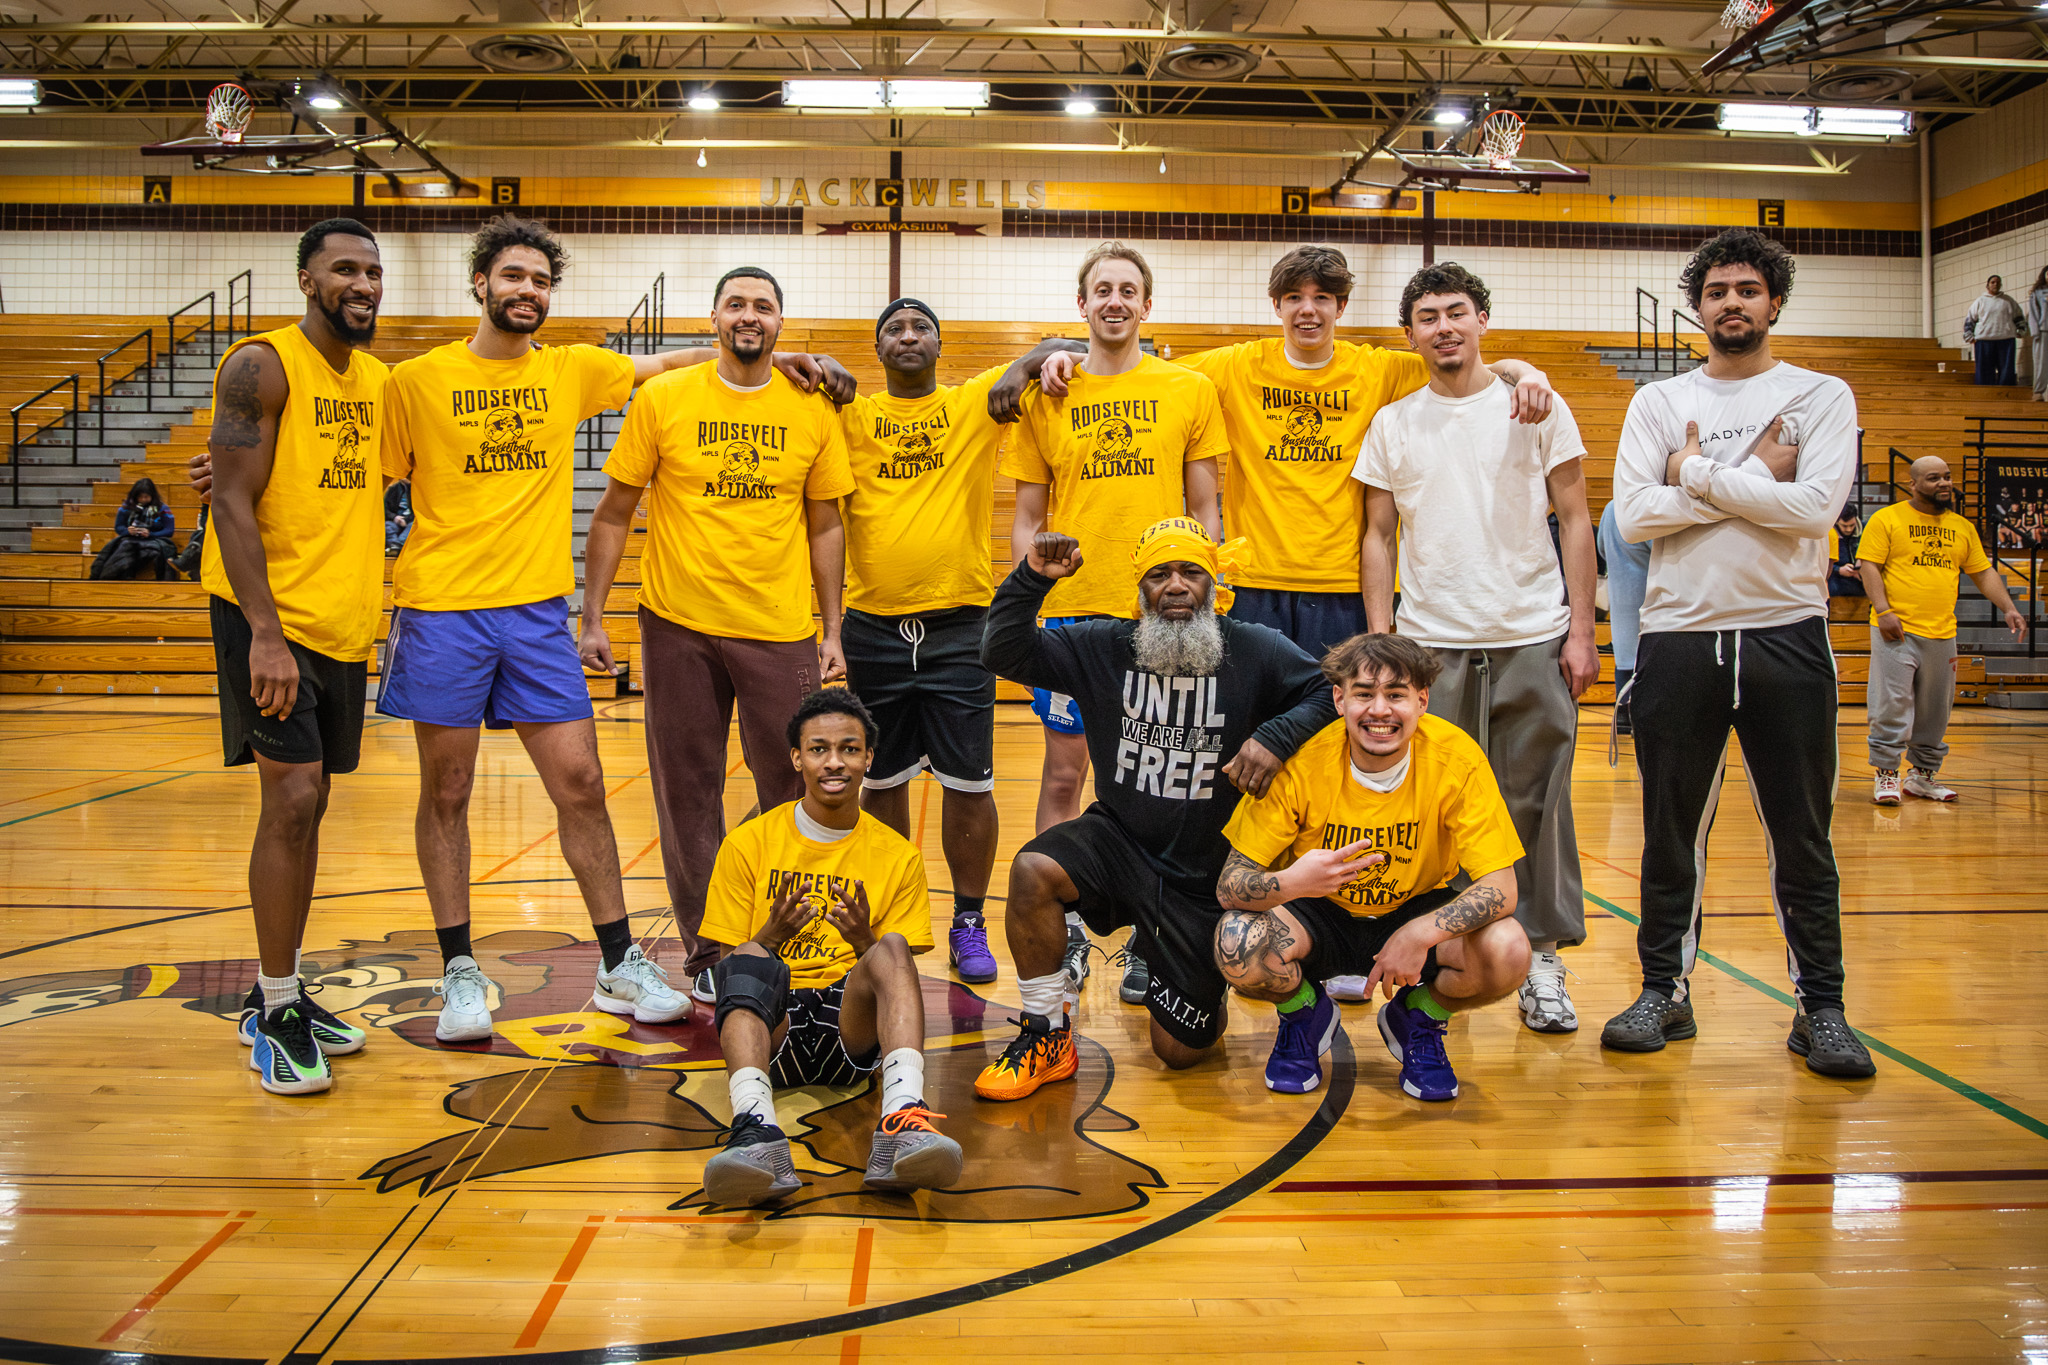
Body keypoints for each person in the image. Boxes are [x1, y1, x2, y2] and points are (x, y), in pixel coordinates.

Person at [1034, 243, 1557, 1005]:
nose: (1308, 309)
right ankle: (1194, 929)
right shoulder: (1234, 366)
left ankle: (1346, 924)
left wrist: (1525, 370)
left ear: (1341, 307)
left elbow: (1463, 358)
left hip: (1340, 592)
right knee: (1230, 768)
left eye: (1323, 297)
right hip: (1254, 595)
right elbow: (1132, 359)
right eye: (1294, 297)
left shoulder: (1379, 368)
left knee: (1347, 761)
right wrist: (1048, 354)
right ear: (1276, 305)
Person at [1606, 227, 1875, 1080]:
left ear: (1774, 302)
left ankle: (1822, 1007)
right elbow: (1633, 517)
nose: (1732, 302)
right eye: (1717, 290)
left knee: (1803, 835)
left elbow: (1814, 511)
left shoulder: (1818, 395)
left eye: (1747, 289)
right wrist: (1757, 479)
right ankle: (1663, 990)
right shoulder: (1658, 401)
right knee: (1668, 833)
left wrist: (1693, 474)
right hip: (1678, 637)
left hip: (1785, 633)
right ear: (1698, 306)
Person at [972, 518, 1337, 1100]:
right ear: (1139, 588)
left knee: (1180, 1053)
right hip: (1120, 841)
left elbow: (1329, 690)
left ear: (1214, 584)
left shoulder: (1254, 647)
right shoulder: (1102, 645)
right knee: (1033, 869)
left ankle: (1184, 960)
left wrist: (1275, 737)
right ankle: (1046, 1033)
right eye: (1158, 574)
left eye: (1191, 572)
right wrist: (1031, 579)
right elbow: (1002, 651)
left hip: (1209, 875)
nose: (1175, 585)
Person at [581, 265, 856, 1008]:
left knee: (796, 786)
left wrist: (832, 628)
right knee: (688, 792)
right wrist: (592, 614)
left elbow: (825, 524)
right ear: (713, 318)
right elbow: (614, 511)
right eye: (736, 303)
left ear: (780, 323)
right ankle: (708, 949)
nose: (749, 315)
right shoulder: (664, 398)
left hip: (778, 627)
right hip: (679, 624)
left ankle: (783, 931)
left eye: (764, 305)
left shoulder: (810, 408)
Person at [1355, 261, 1596, 1036]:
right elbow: (1377, 535)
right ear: (1411, 334)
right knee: (1433, 813)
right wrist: (1383, 642)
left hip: (1531, 633)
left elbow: (1577, 519)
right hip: (1431, 644)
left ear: (1483, 319)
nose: (1444, 327)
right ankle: (1440, 960)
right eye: (1428, 317)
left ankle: (1543, 957)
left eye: (1456, 311)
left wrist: (1584, 631)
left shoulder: (1537, 405)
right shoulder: (1394, 422)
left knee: (1539, 804)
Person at [999, 241, 1226, 1000]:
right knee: (1065, 772)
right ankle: (1062, 927)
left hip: (1159, 613)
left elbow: (1205, 507)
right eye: (1103, 289)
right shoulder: (1048, 395)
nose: (1116, 301)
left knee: (1158, 778)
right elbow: (1027, 516)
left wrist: (1204, 591)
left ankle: (1148, 933)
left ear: (1147, 305)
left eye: (1129, 290)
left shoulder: (1188, 388)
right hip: (1073, 618)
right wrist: (1032, 589)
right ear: (1083, 304)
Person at [838, 298, 1083, 986]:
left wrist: (1017, 365)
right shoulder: (852, 416)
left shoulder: (971, 403)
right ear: (877, 348)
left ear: (940, 346)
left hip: (961, 626)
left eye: (921, 327)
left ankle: (968, 920)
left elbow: (1067, 343)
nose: (908, 335)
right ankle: (892, 911)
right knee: (880, 780)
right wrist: (819, 361)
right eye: (894, 328)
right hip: (873, 626)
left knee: (969, 784)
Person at [203, 218, 389, 1095]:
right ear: (308, 280)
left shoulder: (377, 381)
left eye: (372, 271)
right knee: (290, 799)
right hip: (270, 619)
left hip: (340, 620)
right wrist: (265, 634)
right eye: (344, 269)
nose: (363, 284)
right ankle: (275, 1010)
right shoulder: (262, 363)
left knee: (310, 807)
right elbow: (230, 502)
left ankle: (280, 988)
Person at [1214, 633, 1532, 1100]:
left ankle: (1419, 1017)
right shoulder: (1302, 759)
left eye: (1396, 695)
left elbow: (1502, 887)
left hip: (1415, 906)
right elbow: (1229, 886)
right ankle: (1304, 1015)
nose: (1379, 710)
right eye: (1364, 693)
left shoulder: (1456, 758)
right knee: (1236, 941)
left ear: (1422, 701)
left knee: (1509, 950)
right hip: (1318, 908)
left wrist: (1420, 933)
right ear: (1339, 699)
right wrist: (1293, 881)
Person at [696, 689, 959, 1205]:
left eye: (849, 748)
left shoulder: (898, 855)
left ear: (868, 758)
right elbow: (729, 968)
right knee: (748, 958)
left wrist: (863, 939)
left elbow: (894, 974)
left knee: (892, 946)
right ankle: (755, 1129)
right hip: (775, 1027)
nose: (834, 762)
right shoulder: (748, 843)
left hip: (850, 1028)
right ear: (797, 758)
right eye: (818, 749)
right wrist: (771, 936)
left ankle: (903, 1117)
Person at [1859, 456, 2026, 804]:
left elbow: (1982, 572)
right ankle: (1886, 774)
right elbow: (1869, 566)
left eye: (1947, 477)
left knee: (1936, 710)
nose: (1944, 483)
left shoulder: (1962, 527)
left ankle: (1922, 776)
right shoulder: (1887, 518)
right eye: (1934, 478)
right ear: (1913, 484)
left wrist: (2008, 607)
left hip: (1942, 632)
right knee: (1890, 705)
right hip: (1896, 630)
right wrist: (1883, 610)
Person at [1598, 500, 1649, 737]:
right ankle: (1640, 714)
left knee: (1624, 654)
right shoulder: (1648, 505)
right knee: (1645, 654)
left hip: (1620, 588)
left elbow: (1601, 548)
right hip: (1647, 588)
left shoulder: (1611, 508)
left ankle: (1622, 711)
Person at [92, 477, 180, 581]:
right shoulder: (126, 508)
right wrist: (127, 531)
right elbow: (119, 527)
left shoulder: (163, 508)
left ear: (152, 496)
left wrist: (150, 534)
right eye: (140, 497)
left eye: (146, 497)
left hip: (155, 539)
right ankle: (120, 576)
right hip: (131, 539)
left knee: (156, 551)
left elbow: (169, 530)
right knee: (124, 547)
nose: (143, 500)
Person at [1963, 275, 2025, 386]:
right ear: (1987, 285)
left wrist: (2021, 330)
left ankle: (2006, 393)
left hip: (2006, 340)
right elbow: (1970, 319)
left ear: (2001, 285)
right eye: (1992, 282)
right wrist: (1969, 336)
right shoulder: (1980, 301)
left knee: (2007, 372)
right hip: (1984, 340)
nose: (1995, 284)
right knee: (1984, 372)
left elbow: (2019, 317)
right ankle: (1985, 393)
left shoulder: (2009, 301)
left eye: (1998, 282)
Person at [1827, 506, 1865, 597]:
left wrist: (1862, 566)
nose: (1848, 529)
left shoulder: (1866, 528)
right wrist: (1838, 570)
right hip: (1835, 576)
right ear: (1836, 521)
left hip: (1859, 575)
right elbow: (1821, 563)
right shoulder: (1828, 532)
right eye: (1844, 526)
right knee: (1832, 587)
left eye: (1852, 525)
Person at [2029, 267, 2048, 403]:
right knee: (2041, 363)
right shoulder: (2038, 293)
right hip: (2043, 331)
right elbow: (2033, 313)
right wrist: (2035, 331)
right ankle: (2038, 392)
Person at [384, 478, 413, 557]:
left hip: (411, 521)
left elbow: (420, 510)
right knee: (387, 525)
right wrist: (395, 517)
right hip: (396, 521)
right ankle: (396, 547)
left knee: (414, 526)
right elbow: (385, 508)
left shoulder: (417, 490)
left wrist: (406, 520)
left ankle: (398, 546)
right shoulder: (393, 489)